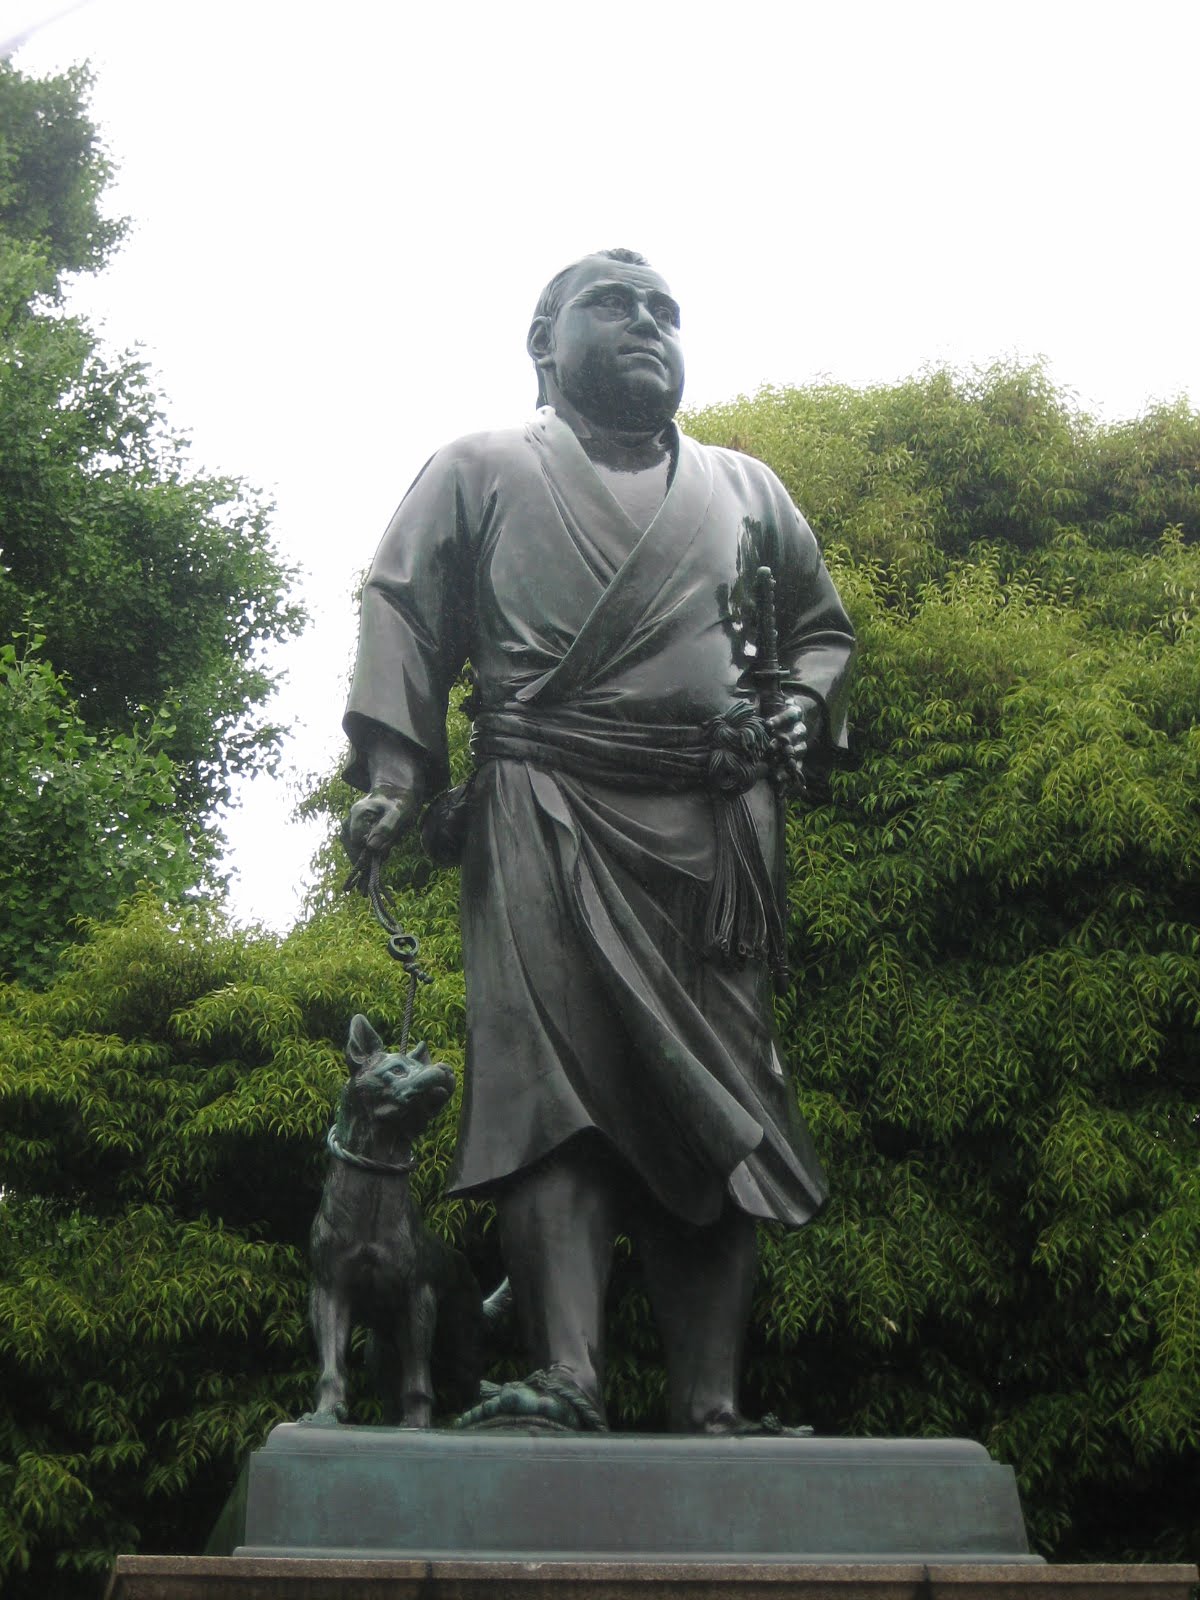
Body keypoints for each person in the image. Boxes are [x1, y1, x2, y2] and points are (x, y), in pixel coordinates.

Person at [342, 249, 855, 1433]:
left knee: (724, 1101)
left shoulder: (747, 487)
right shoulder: (476, 467)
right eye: (613, 306)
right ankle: (568, 1374)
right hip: (542, 802)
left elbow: (821, 637)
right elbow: (407, 610)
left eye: (666, 311)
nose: (647, 325)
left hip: (716, 828)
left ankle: (711, 1401)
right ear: (543, 342)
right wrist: (396, 772)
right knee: (548, 1092)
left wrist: (801, 703)